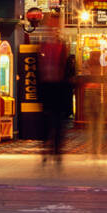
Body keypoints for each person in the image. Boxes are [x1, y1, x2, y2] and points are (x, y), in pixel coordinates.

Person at [37, 14, 68, 163]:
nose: (54, 29)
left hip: (59, 89)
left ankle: (56, 150)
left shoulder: (63, 46)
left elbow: (67, 70)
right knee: (46, 121)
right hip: (47, 89)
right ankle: (46, 147)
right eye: (51, 26)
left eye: (56, 26)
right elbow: (38, 70)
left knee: (58, 121)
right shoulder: (43, 46)